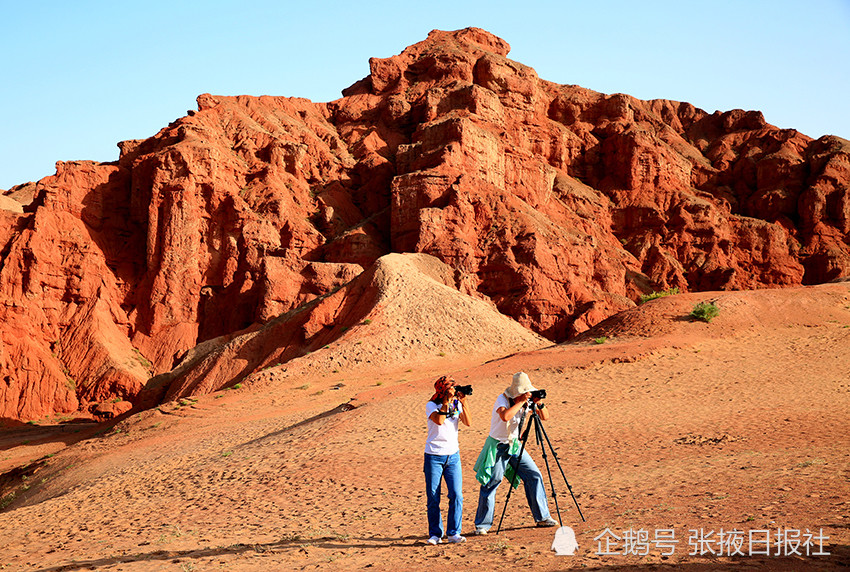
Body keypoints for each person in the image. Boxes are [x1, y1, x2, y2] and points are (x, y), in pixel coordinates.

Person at [473, 371, 558, 534]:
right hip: (497, 446)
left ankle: (542, 517)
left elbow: (545, 417)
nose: (528, 395)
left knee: (534, 475)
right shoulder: (502, 399)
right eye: (525, 392)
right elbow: (505, 416)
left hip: (515, 445)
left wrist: (538, 404)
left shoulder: (527, 402)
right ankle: (482, 525)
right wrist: (521, 402)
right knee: (492, 481)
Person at [424, 375, 471, 545]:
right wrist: (446, 401)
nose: (454, 390)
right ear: (442, 391)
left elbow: (468, 422)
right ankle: (435, 534)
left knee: (457, 495)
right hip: (433, 456)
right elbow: (439, 420)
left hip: (453, 456)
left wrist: (462, 402)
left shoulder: (456, 403)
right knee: (434, 497)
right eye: (451, 388)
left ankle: (453, 533)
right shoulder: (431, 405)